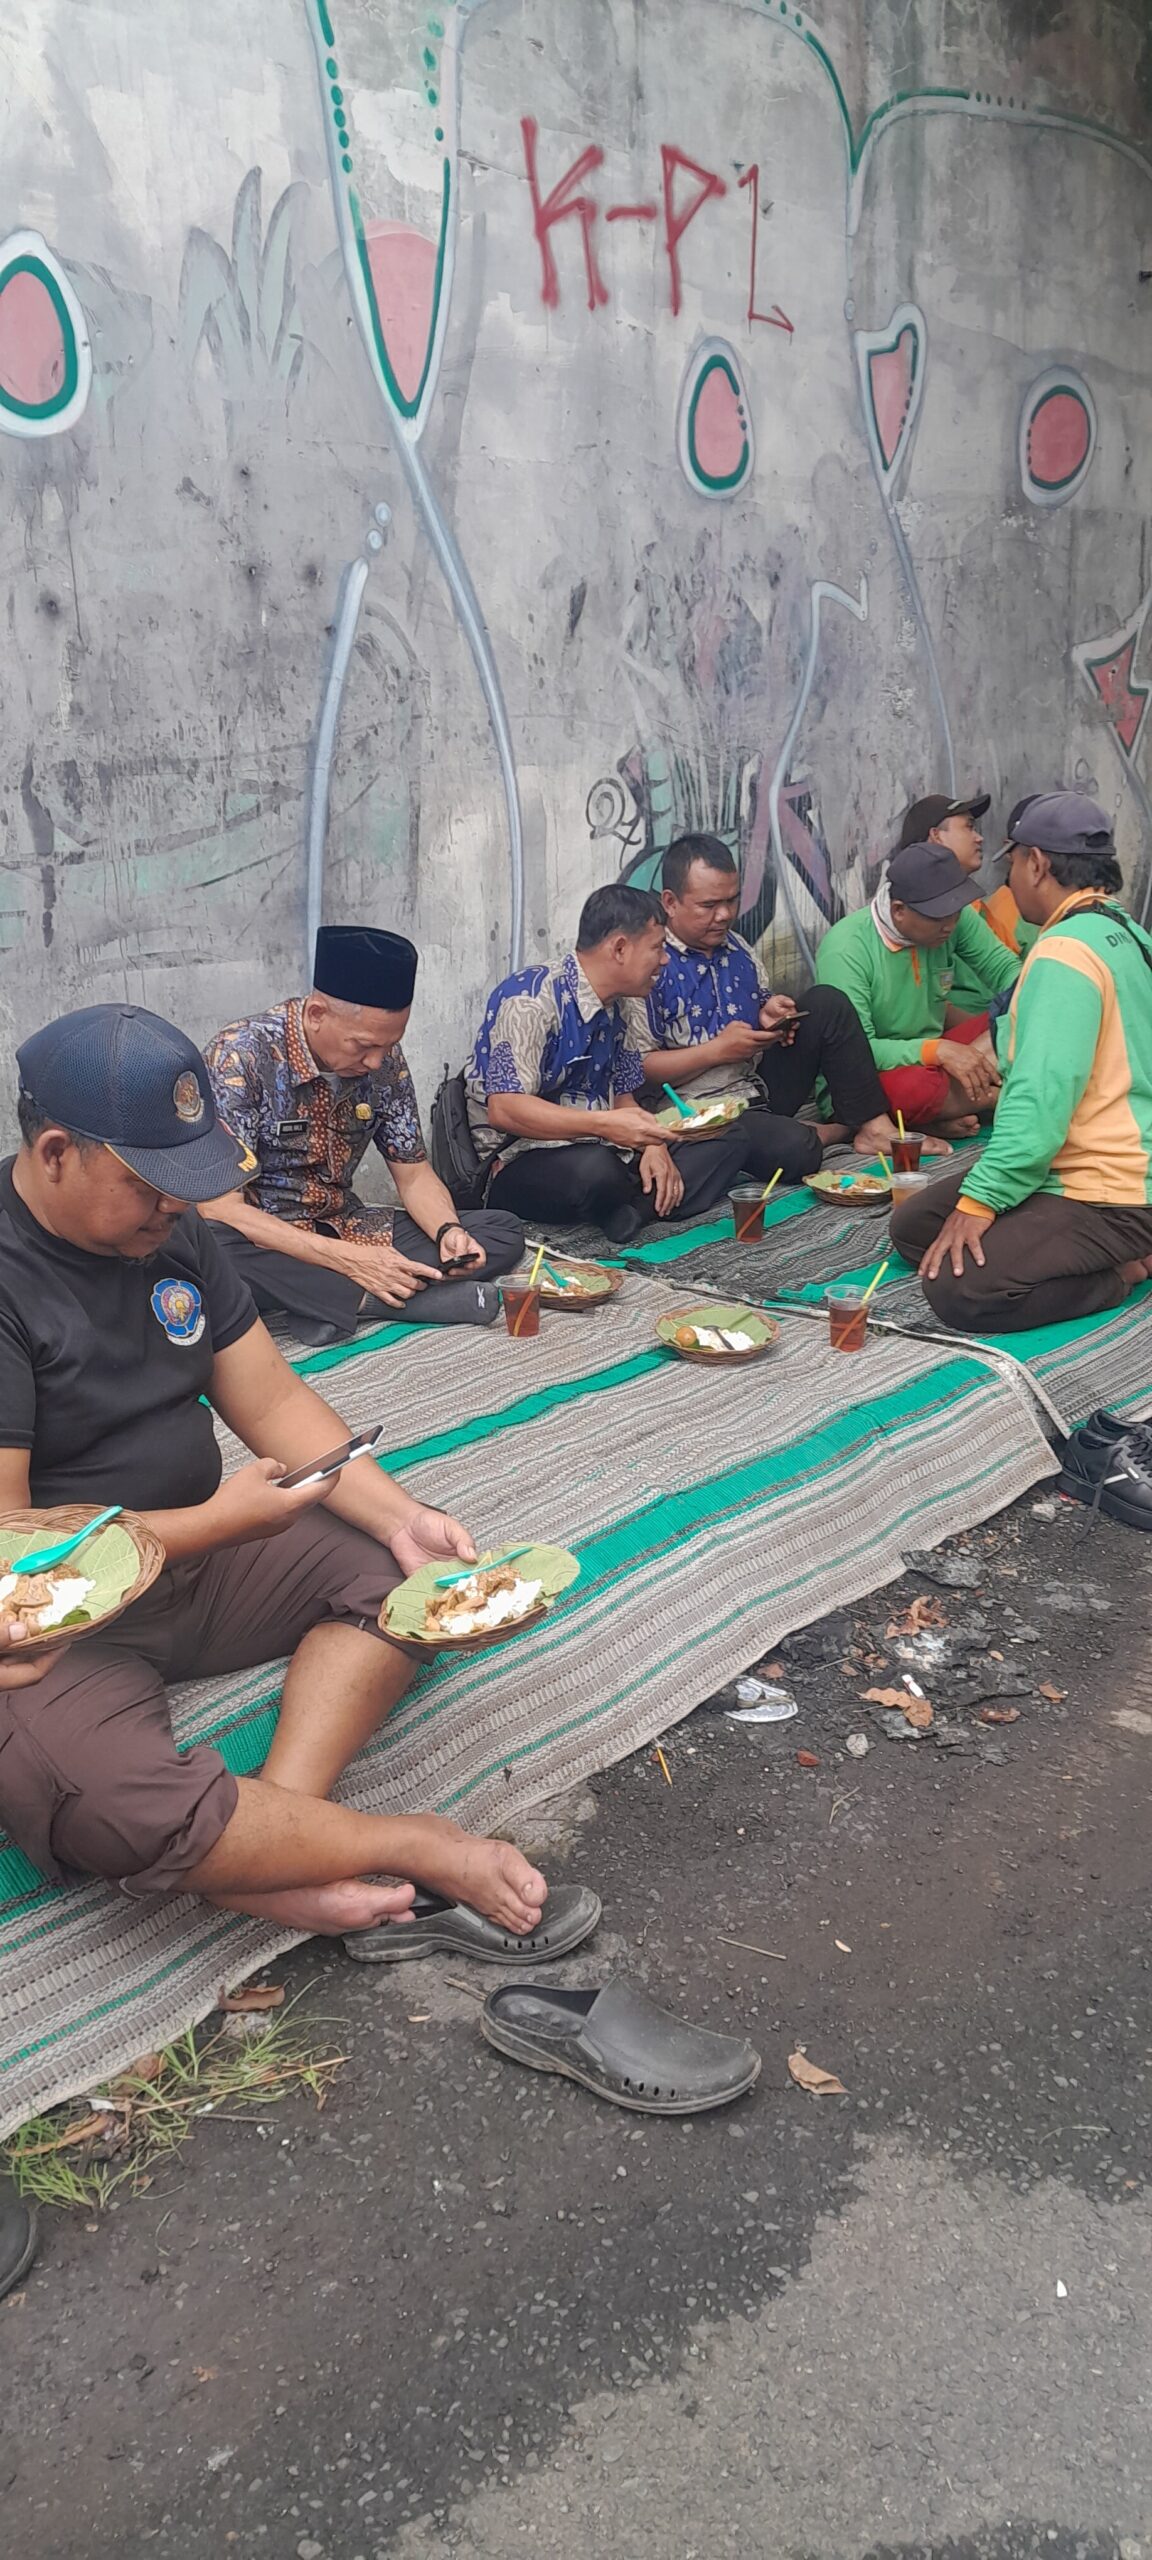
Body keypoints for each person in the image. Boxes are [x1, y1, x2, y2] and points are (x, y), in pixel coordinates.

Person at [0, 1003, 584, 1955]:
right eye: (150, 1186)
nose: (174, 1209)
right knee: (108, 1804)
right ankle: (410, 1844)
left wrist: (401, 1517)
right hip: (57, 1621)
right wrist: (217, 1524)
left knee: (412, 1587)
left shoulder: (169, 1235)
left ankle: (281, 1830)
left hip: (202, 1560)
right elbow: (10, 1549)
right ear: (57, 1151)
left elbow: (271, 1401)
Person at [890, 791, 1152, 1332]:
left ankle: (1122, 1270)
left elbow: (1040, 1099)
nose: (1006, 878)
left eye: (1010, 862)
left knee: (960, 1289)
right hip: (1071, 1167)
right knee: (916, 1226)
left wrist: (982, 1201)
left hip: (1112, 1190)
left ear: (1037, 863)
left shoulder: (1064, 952)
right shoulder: (1127, 931)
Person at [203, 927, 524, 1345]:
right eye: (363, 1046)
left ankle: (319, 1301)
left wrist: (447, 1232)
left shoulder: (384, 1059)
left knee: (501, 1231)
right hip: (265, 1239)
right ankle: (377, 1299)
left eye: (389, 1045)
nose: (375, 1061)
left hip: (343, 1225)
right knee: (206, 1247)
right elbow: (220, 1208)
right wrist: (352, 1261)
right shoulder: (240, 1056)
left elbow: (413, 1174)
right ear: (317, 1014)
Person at [464, 884, 750, 1242]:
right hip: (522, 1160)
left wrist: (653, 1145)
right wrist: (604, 1126)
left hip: (606, 1145)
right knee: (596, 1171)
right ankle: (637, 1203)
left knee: (731, 1135)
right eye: (658, 948)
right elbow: (504, 1110)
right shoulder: (530, 1000)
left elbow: (624, 1095)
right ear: (619, 948)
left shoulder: (626, 1003)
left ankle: (632, 1212)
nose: (664, 960)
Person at [641, 831, 929, 1179]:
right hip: (693, 1112)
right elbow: (641, 1070)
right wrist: (717, 1051)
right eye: (708, 905)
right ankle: (828, 1132)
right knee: (796, 1151)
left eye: (731, 901)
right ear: (670, 902)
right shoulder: (651, 963)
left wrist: (772, 1016)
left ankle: (873, 1127)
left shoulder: (738, 949)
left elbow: (760, 1006)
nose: (724, 915)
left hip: (756, 1088)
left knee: (827, 1003)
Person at [814, 840, 1019, 1132]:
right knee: (914, 1090)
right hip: (867, 1079)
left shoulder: (955, 921)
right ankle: (1005, 1097)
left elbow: (1009, 972)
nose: (950, 925)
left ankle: (941, 1113)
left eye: (956, 913)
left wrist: (1021, 1014)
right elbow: (858, 1051)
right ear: (898, 911)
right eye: (938, 918)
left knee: (1019, 1012)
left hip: (938, 1061)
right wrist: (938, 1051)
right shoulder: (846, 948)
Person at [898, 789, 1037, 1009]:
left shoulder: (972, 910)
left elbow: (1004, 969)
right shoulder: (910, 911)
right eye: (969, 827)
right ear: (937, 836)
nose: (979, 838)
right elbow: (925, 1009)